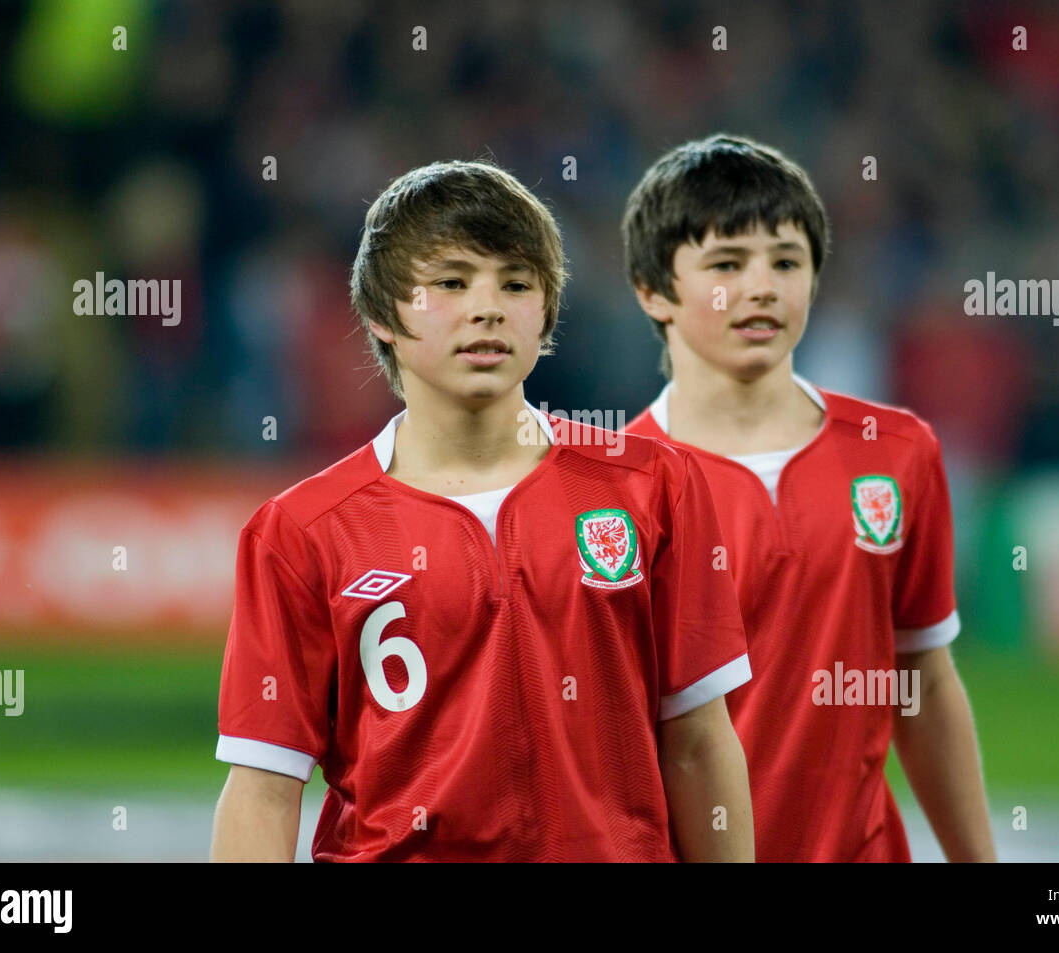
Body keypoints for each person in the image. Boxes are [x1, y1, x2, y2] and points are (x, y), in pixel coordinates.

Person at [210, 159, 754, 862]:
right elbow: (264, 785)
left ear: (546, 312)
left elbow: (701, 741)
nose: (488, 306)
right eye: (452, 282)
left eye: (517, 282)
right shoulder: (301, 532)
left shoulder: (654, 484)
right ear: (382, 313)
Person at [620, 134, 996, 862]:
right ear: (653, 290)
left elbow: (924, 681)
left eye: (786, 261)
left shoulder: (898, 450)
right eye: (728, 263)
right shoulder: (613, 489)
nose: (762, 286)